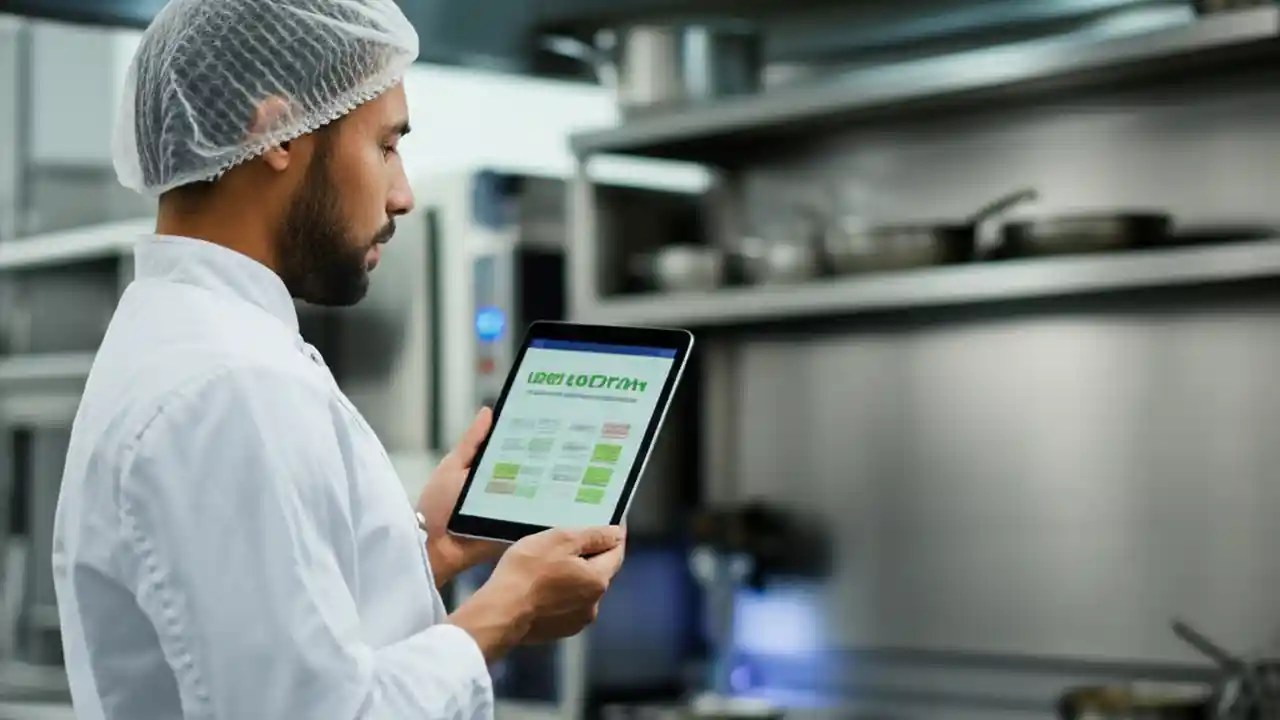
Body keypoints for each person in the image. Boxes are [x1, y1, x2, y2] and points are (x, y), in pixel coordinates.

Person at [50, 1, 627, 719]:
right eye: (386, 145)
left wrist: (433, 549)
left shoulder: (193, 343)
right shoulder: (230, 384)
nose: (403, 193)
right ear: (273, 135)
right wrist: (501, 613)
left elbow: (275, 644)